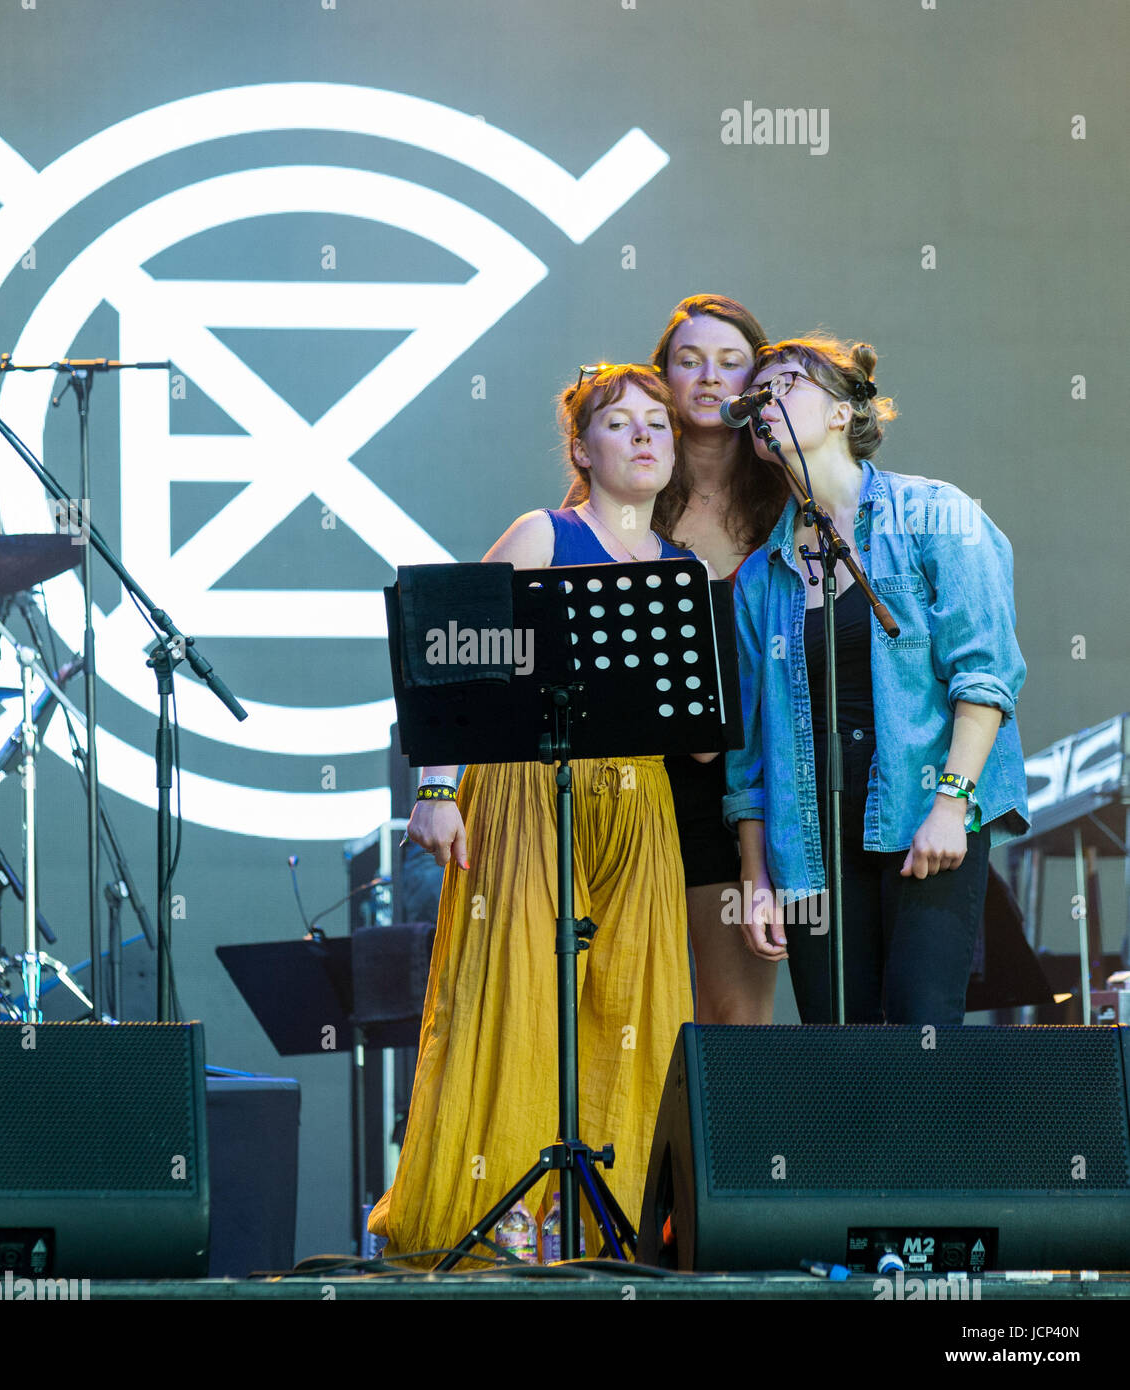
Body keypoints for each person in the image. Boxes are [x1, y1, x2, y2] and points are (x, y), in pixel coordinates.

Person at [368, 365, 698, 1264]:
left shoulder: (679, 566)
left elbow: (699, 735)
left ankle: (606, 1217)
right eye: (619, 423)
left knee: (632, 993)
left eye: (658, 425)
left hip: (636, 802)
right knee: (515, 989)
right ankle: (507, 1220)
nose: (644, 436)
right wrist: (436, 792)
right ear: (581, 450)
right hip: (526, 787)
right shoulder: (545, 534)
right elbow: (455, 659)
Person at [723, 335, 1029, 1025]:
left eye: (785, 385)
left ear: (839, 412)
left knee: (922, 1022)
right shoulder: (758, 576)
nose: (762, 405)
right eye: (755, 395)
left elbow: (985, 674)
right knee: (841, 1047)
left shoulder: (936, 515)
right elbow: (748, 753)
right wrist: (755, 880)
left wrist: (952, 806)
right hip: (808, 830)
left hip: (925, 802)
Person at [567, 294, 788, 1024]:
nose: (709, 378)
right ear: (662, 377)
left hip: (767, 774)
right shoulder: (623, 497)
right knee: (632, 1020)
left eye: (732, 362)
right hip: (643, 782)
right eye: (688, 361)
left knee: (736, 1023)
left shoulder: (791, 501)